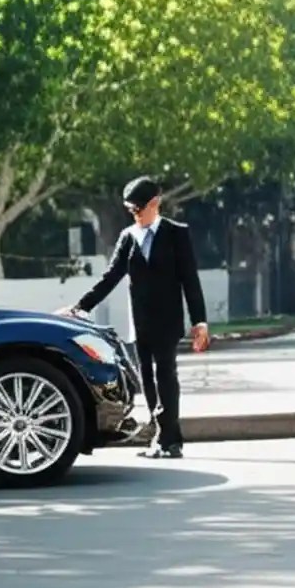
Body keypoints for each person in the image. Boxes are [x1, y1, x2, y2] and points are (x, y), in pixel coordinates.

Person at [58, 176, 209, 459]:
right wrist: (79, 307)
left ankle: (170, 439)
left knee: (166, 375)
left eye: (139, 209)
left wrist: (199, 322)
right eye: (131, 210)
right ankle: (159, 436)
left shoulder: (176, 233)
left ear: (155, 203)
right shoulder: (128, 237)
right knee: (147, 379)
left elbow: (190, 280)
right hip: (139, 322)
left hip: (168, 320)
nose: (135, 214)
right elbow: (110, 277)